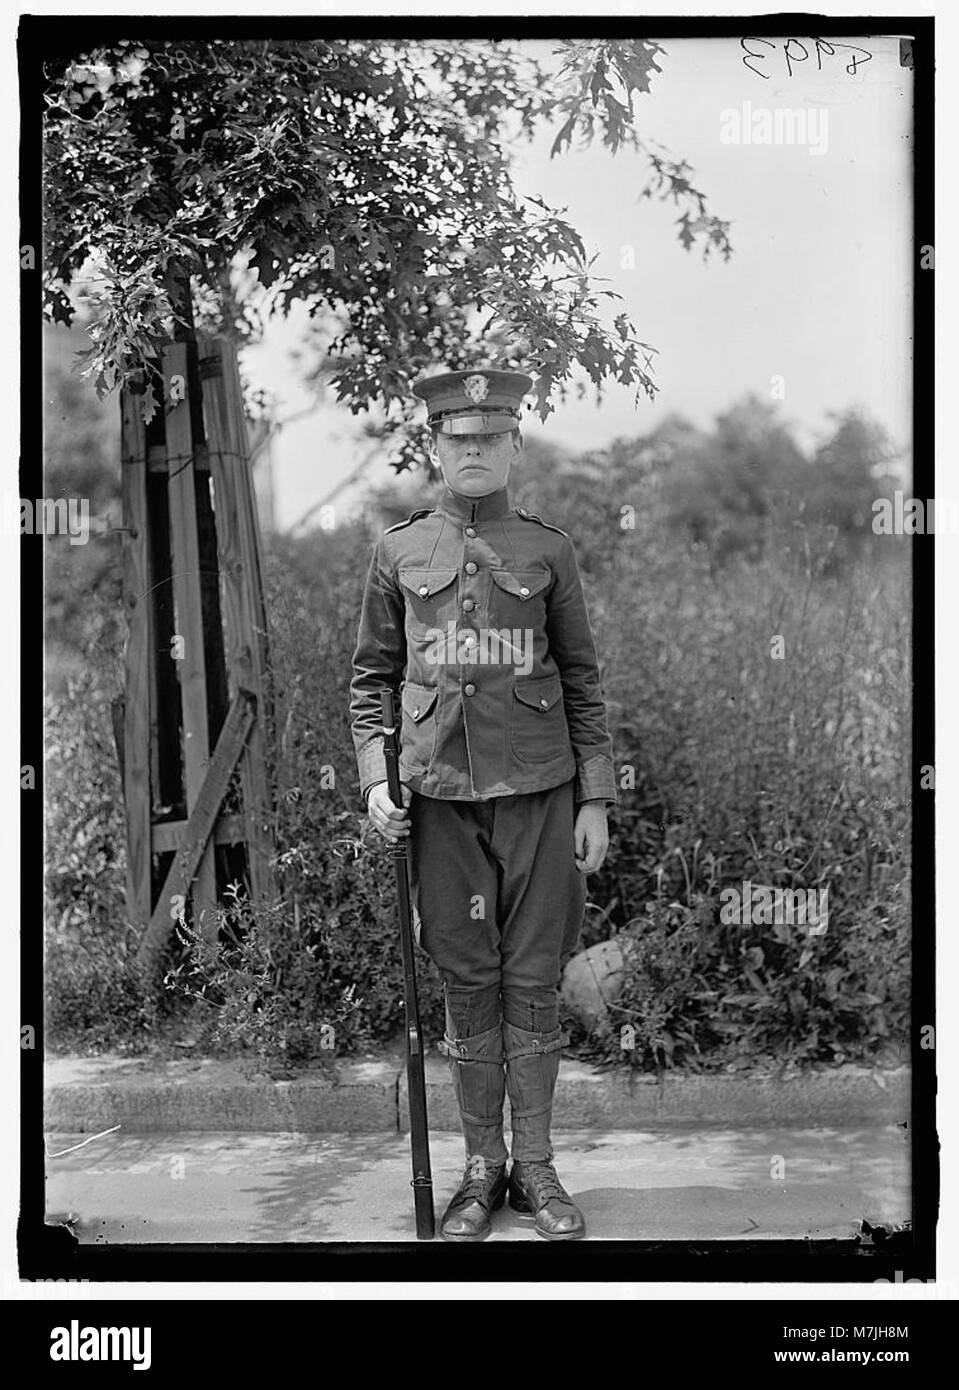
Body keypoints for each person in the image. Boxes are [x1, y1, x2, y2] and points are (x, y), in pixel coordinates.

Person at [349, 367, 615, 1241]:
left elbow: (581, 678)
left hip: (538, 794)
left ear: (513, 447)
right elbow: (371, 679)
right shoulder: (399, 550)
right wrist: (376, 777)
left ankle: (535, 1169)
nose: (473, 452)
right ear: (435, 446)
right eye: (458, 439)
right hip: (437, 800)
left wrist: (594, 799)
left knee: (532, 979)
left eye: (489, 438)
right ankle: (480, 1168)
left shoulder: (548, 549)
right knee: (467, 980)